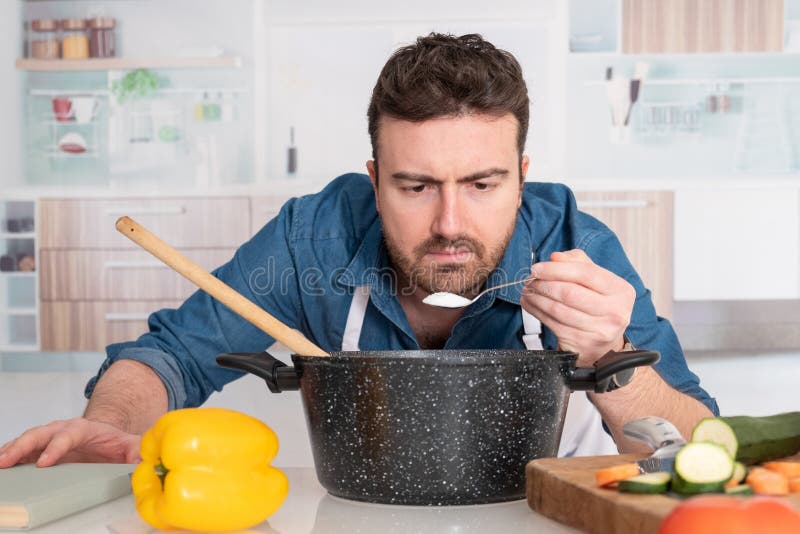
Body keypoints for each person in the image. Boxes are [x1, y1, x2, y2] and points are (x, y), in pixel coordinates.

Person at [0, 33, 717, 468]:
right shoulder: (313, 237)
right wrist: (110, 423)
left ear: (522, 178)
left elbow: (698, 442)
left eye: (482, 183)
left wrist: (614, 361)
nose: (448, 222)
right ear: (373, 182)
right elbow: (172, 354)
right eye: (414, 186)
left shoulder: (576, 246)